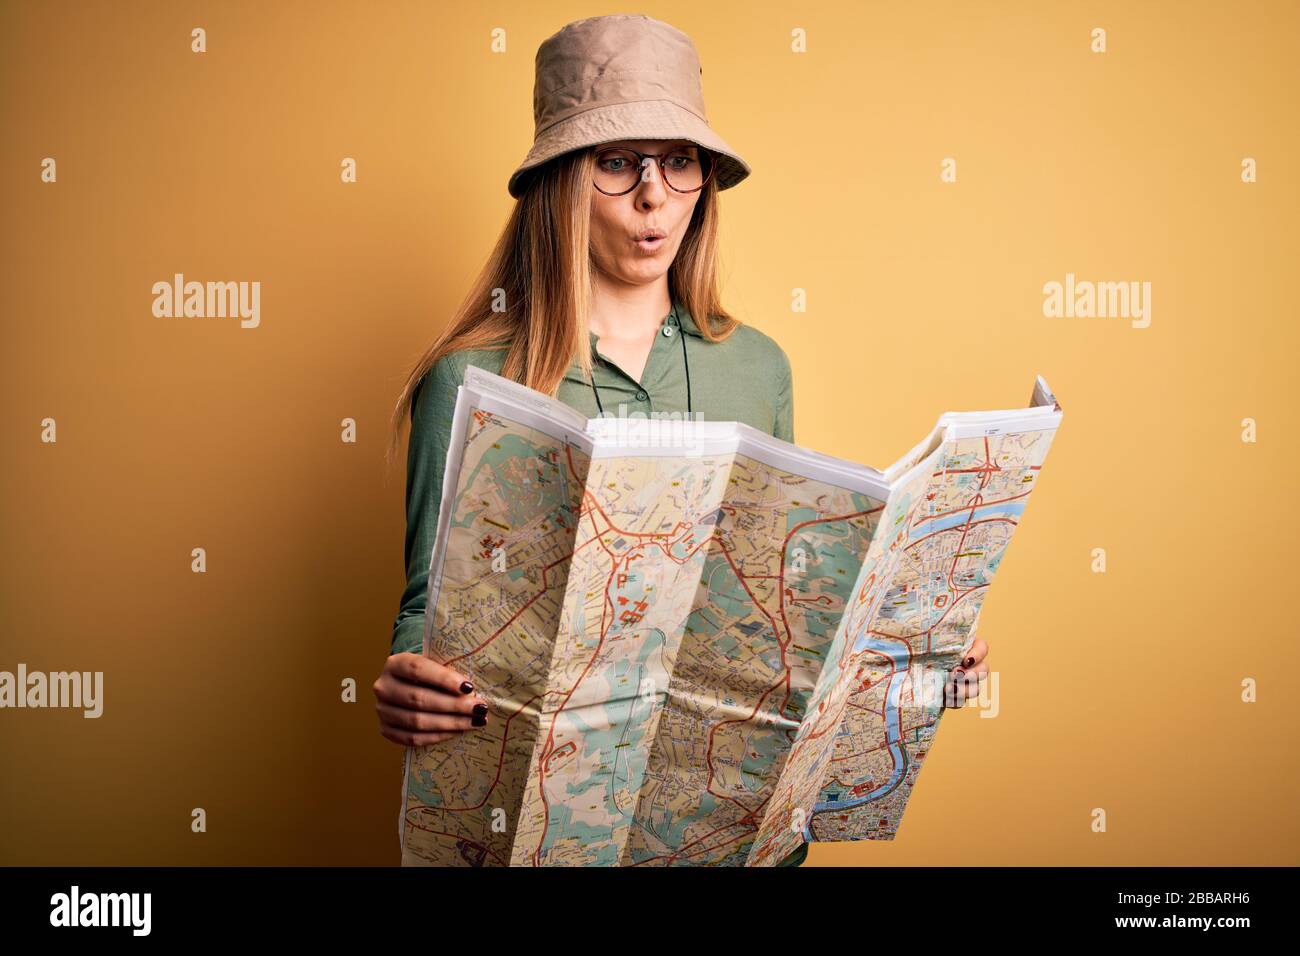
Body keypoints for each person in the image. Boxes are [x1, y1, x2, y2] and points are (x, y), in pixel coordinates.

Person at [373, 14, 989, 867]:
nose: (654, 196)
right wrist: (409, 681)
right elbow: (429, 612)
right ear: (561, 179)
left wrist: (919, 664)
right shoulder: (471, 380)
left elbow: (779, 629)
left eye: (680, 161)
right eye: (618, 162)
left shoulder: (759, 368)